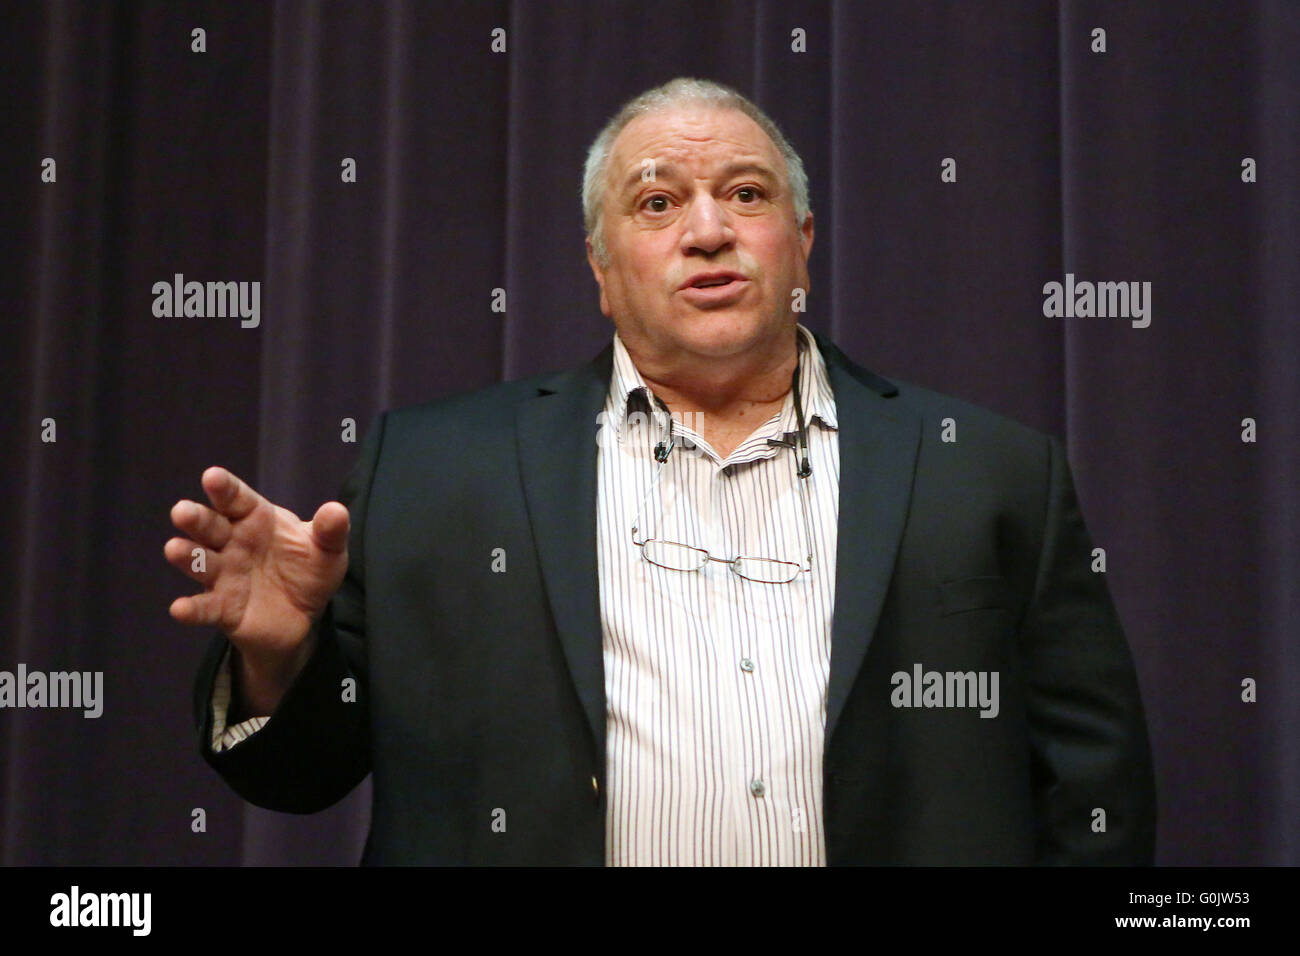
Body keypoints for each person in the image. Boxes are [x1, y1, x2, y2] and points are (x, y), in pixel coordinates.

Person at [167, 77, 1156, 865]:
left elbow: (1093, 785)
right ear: (601, 270)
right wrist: (281, 658)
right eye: (656, 201)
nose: (708, 230)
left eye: (745, 193)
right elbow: (306, 775)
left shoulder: (987, 469)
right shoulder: (431, 471)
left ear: (801, 243)